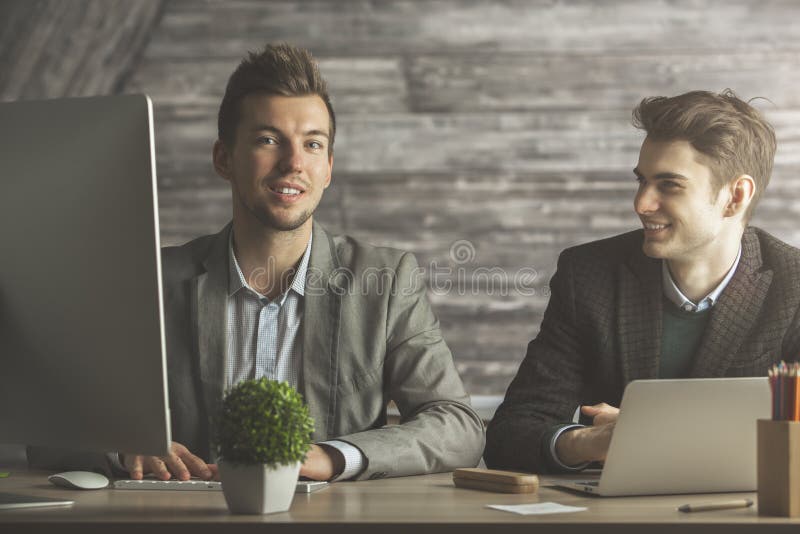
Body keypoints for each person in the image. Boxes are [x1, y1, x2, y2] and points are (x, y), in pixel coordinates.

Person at [30, 43, 484, 481]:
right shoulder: (150, 282)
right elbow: (47, 426)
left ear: (328, 166)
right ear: (223, 158)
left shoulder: (385, 282)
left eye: (311, 145)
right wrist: (124, 443)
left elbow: (458, 426)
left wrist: (333, 457)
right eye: (269, 139)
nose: (293, 164)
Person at [484, 89, 800, 473]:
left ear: (735, 196)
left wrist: (665, 435)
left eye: (669, 185)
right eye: (642, 181)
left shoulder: (794, 285)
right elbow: (509, 434)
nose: (642, 203)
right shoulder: (587, 275)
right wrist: (588, 442)